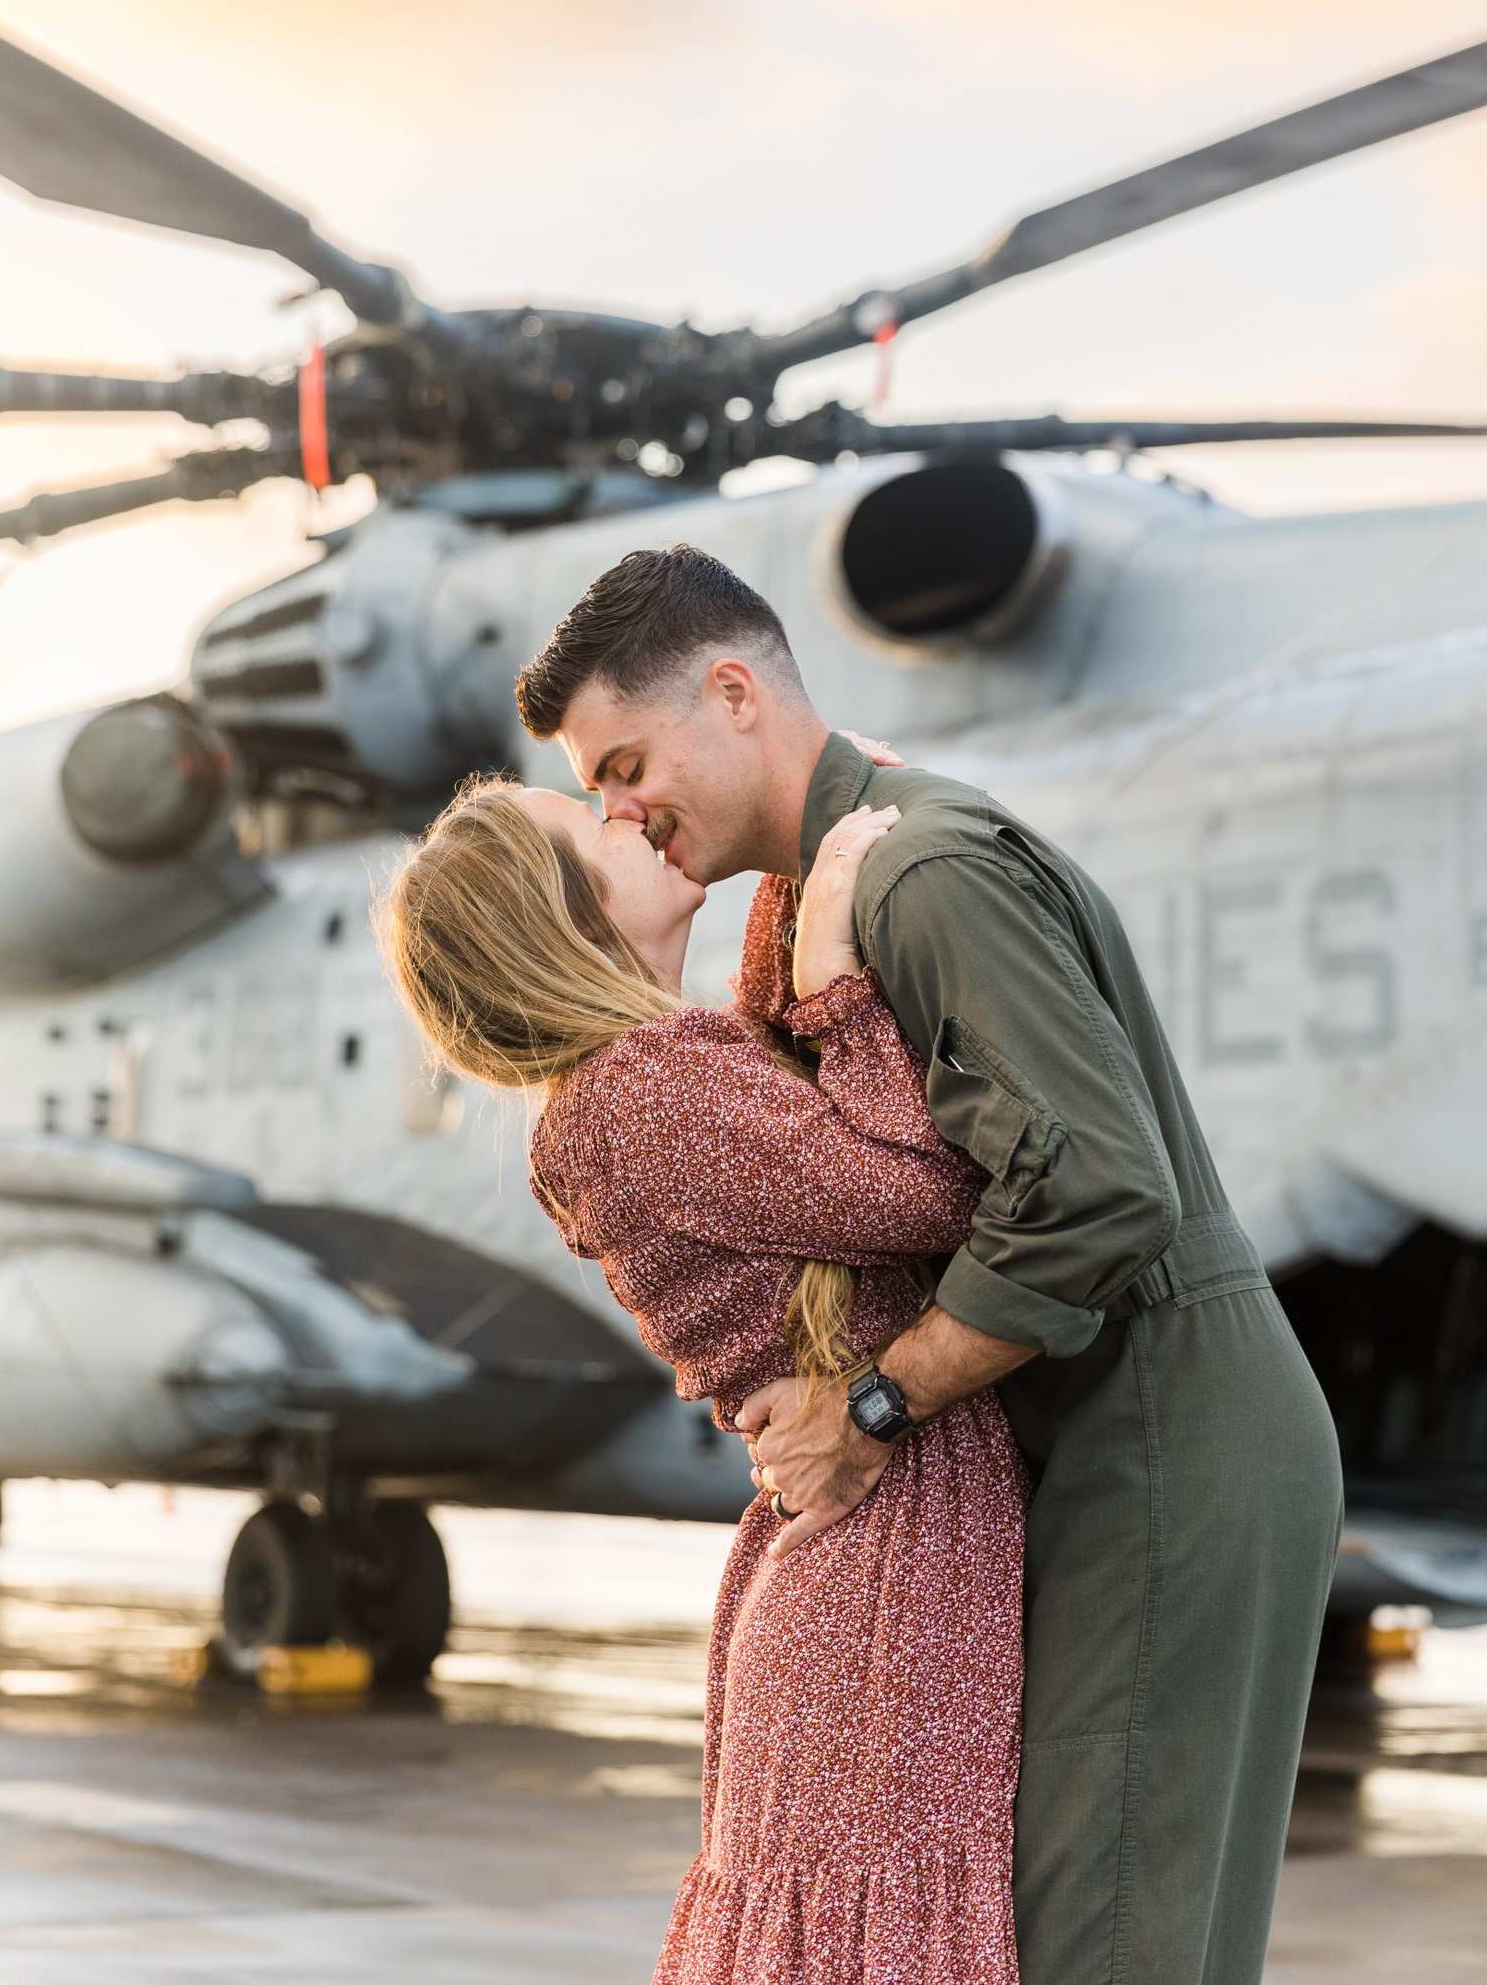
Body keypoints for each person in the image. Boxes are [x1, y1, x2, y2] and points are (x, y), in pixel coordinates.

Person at [511, 542, 1345, 1985]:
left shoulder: (919, 871)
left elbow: (1097, 1190)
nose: (622, 808)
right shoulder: (825, 893)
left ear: (733, 694)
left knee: (1109, 1942)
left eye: (630, 760)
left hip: (1159, 1427)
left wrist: (876, 1406)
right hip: (1097, 1434)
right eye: (596, 788)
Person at [382, 774, 1029, 1984]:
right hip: (883, 1552)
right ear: (564, 919)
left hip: (866, 1544)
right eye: (595, 828)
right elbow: (934, 1194)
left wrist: (798, 865)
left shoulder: (642, 1083)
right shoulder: (640, 1096)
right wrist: (838, 982)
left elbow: (773, 1097)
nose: (626, 814)